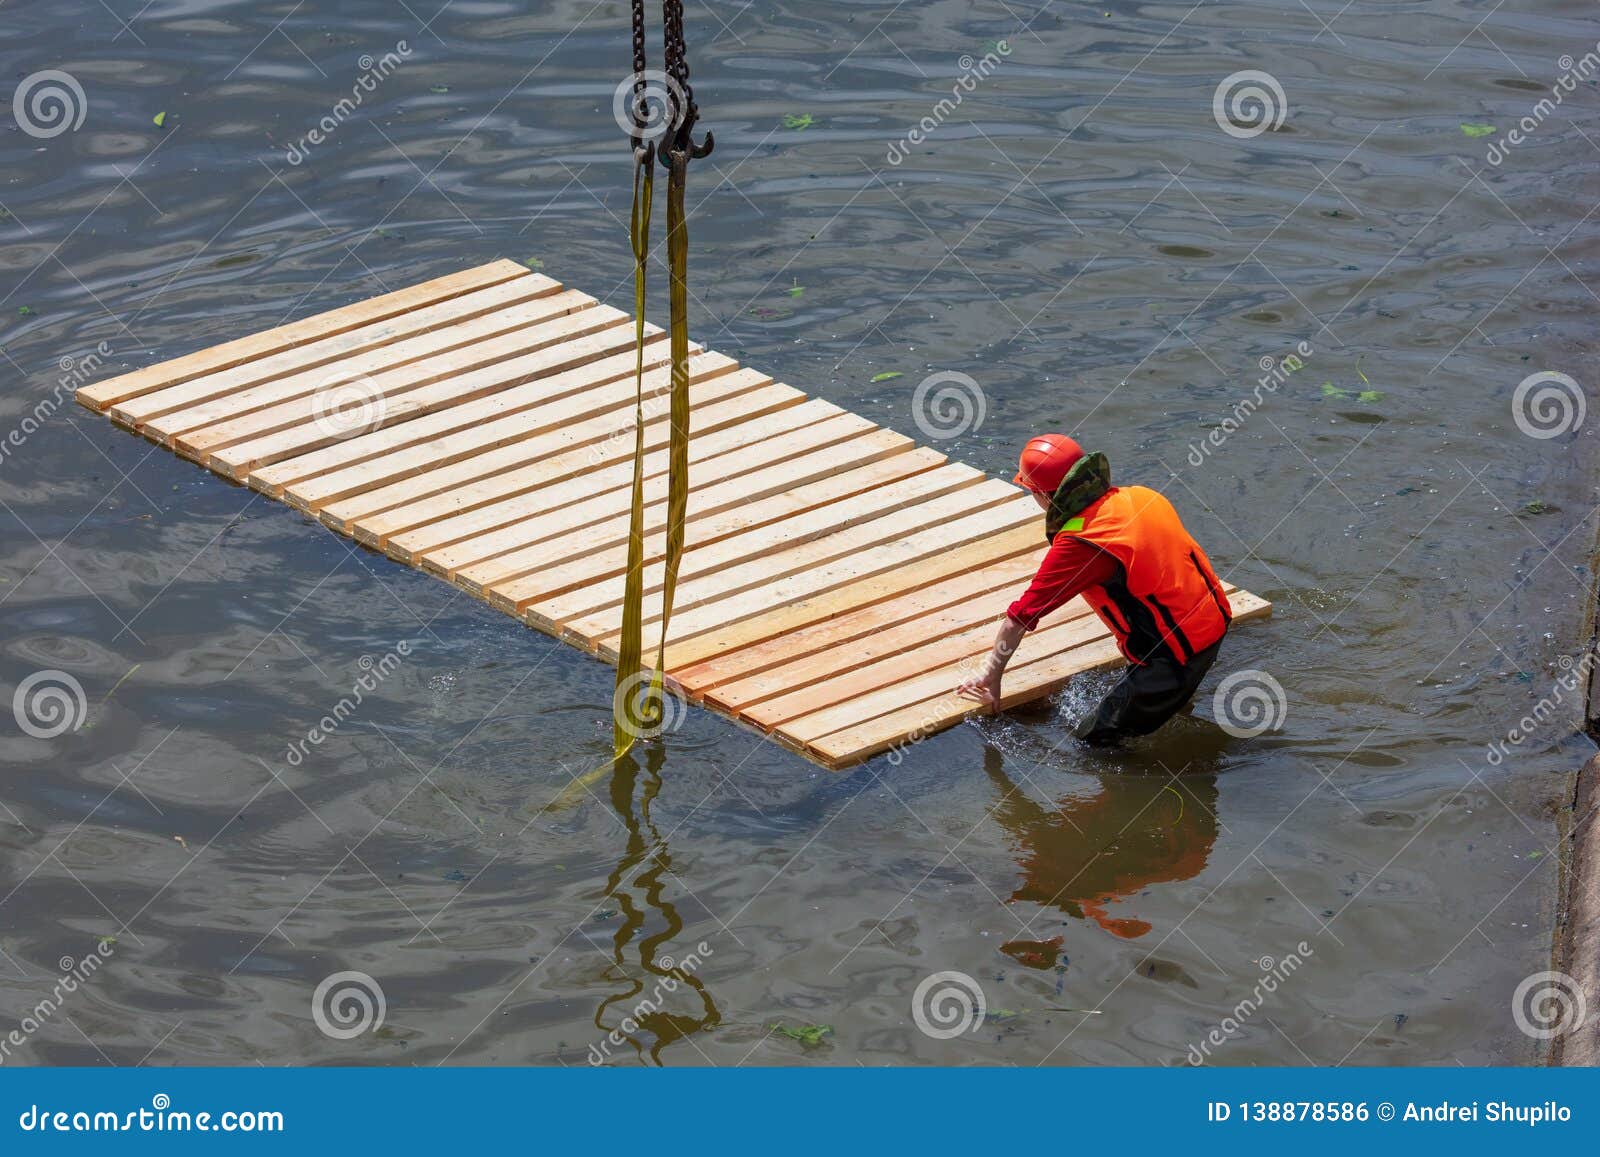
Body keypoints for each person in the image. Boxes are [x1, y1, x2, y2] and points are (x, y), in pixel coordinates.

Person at [956, 434, 1232, 745]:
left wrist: (991, 676)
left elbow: (1018, 619)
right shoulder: (1138, 496)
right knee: (1159, 702)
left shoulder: (1082, 543)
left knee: (1091, 739)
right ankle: (1173, 705)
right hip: (1215, 622)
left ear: (1045, 497)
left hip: (1174, 655)